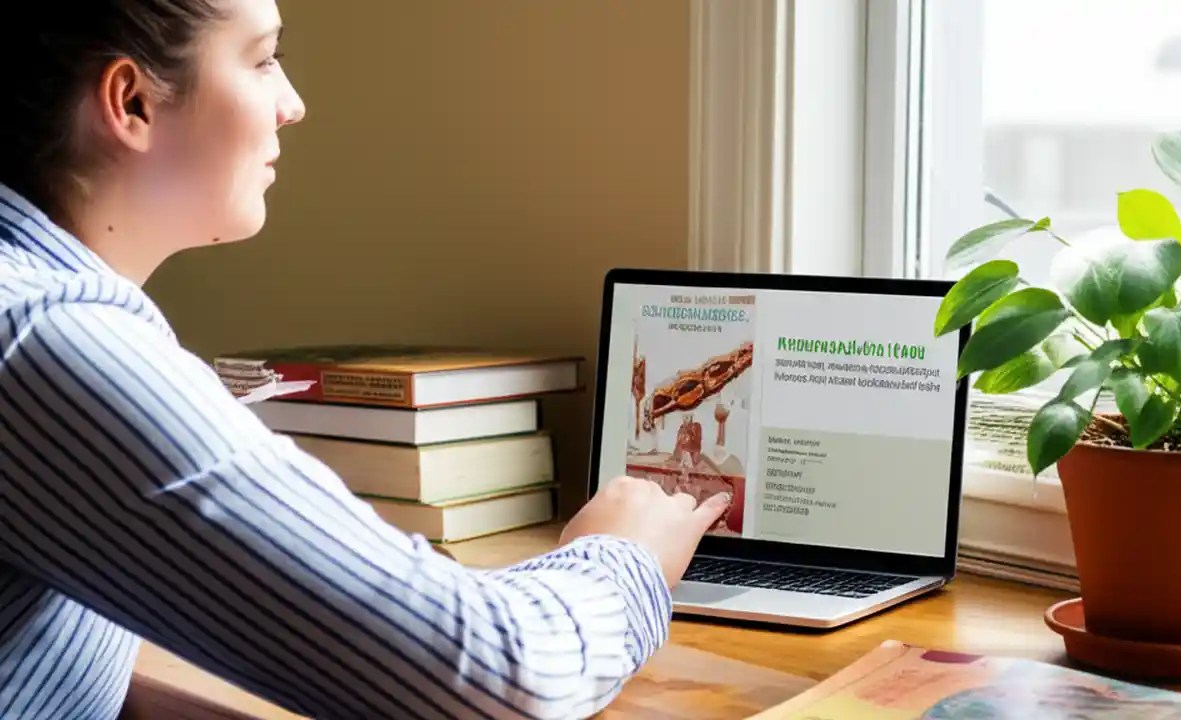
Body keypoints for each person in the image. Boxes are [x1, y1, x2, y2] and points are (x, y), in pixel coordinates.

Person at [0, 2, 730, 718]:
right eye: (262, 59)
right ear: (131, 102)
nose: (293, 104)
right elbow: (504, 681)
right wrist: (627, 553)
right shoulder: (44, 341)